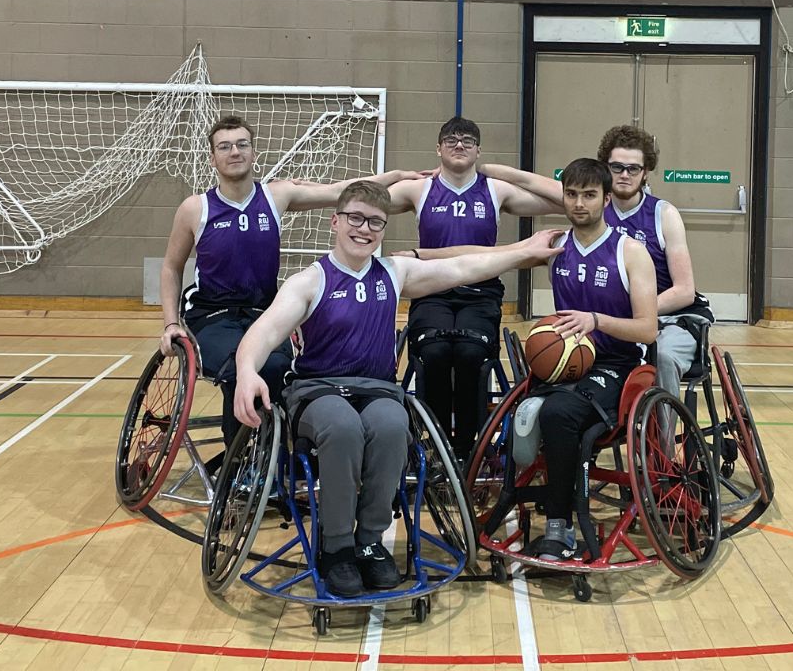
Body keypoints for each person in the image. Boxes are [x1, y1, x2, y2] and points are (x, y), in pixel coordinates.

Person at [232, 181, 563, 597]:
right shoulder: (309, 281)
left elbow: (462, 267)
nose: (363, 229)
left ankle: (369, 540)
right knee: (343, 428)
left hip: (377, 389)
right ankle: (335, 546)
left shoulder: (393, 272)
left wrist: (525, 252)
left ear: (383, 229)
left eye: (374, 222)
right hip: (318, 390)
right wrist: (247, 372)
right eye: (355, 218)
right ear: (335, 221)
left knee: (391, 426)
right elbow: (263, 333)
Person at [158, 114, 421, 456]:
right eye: (224, 146)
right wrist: (170, 324)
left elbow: (342, 192)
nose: (234, 151)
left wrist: (396, 176)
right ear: (213, 158)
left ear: (254, 153)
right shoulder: (195, 208)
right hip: (213, 316)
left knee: (282, 370)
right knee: (243, 366)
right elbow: (170, 267)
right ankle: (240, 467)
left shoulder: (276, 195)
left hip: (263, 311)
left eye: (242, 144)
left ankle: (283, 460)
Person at [479, 124, 712, 396]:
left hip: (673, 317)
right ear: (605, 170)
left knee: (663, 358)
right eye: (616, 167)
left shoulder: (664, 214)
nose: (624, 174)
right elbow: (528, 180)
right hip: (615, 317)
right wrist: (469, 171)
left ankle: (662, 437)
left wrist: (632, 314)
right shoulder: (591, 203)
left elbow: (684, 291)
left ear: (645, 172)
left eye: (633, 168)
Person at [386, 117, 562, 457]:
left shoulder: (495, 189)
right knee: (434, 353)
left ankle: (470, 449)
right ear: (438, 148)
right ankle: (436, 447)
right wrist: (393, 177)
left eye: (468, 140)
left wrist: (509, 173)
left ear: (478, 150)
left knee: (470, 354)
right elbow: (358, 200)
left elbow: (564, 202)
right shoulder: (418, 189)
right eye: (450, 139)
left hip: (480, 293)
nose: (459, 144)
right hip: (431, 291)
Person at [524, 157, 658, 562]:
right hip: (567, 362)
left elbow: (648, 330)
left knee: (559, 413)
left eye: (588, 195)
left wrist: (595, 320)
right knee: (520, 411)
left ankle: (559, 527)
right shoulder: (555, 248)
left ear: (605, 198)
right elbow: (486, 254)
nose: (579, 203)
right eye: (571, 194)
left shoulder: (631, 252)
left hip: (617, 366)